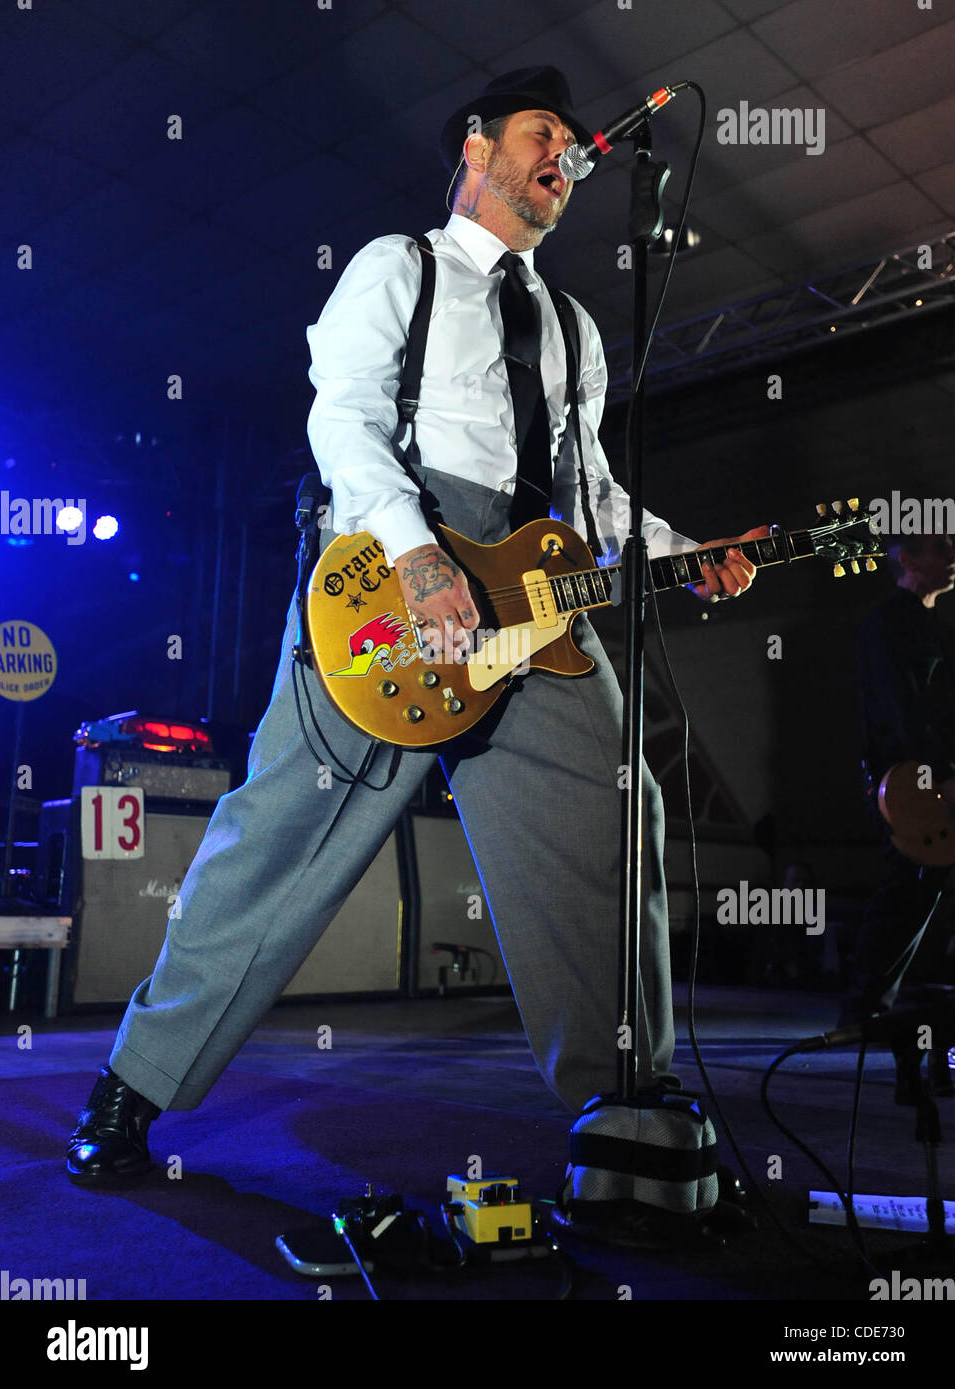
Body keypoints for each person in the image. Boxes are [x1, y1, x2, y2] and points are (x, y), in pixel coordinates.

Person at [67, 67, 767, 1185]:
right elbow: (342, 418)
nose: (565, 156)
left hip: (532, 594)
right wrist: (419, 551)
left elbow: (588, 494)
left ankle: (622, 1096)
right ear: (478, 150)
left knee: (609, 806)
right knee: (280, 840)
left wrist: (686, 555)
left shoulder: (576, 327)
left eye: (571, 146)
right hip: (394, 576)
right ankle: (134, 1086)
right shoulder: (399, 268)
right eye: (542, 133)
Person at [840, 531, 955, 1096]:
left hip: (931, 774)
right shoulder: (886, 622)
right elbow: (896, 704)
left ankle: (903, 1012)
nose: (953, 558)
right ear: (908, 559)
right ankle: (868, 1011)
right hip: (906, 778)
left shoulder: (936, 625)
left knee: (926, 892)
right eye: (942, 549)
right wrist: (938, 772)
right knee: (906, 890)